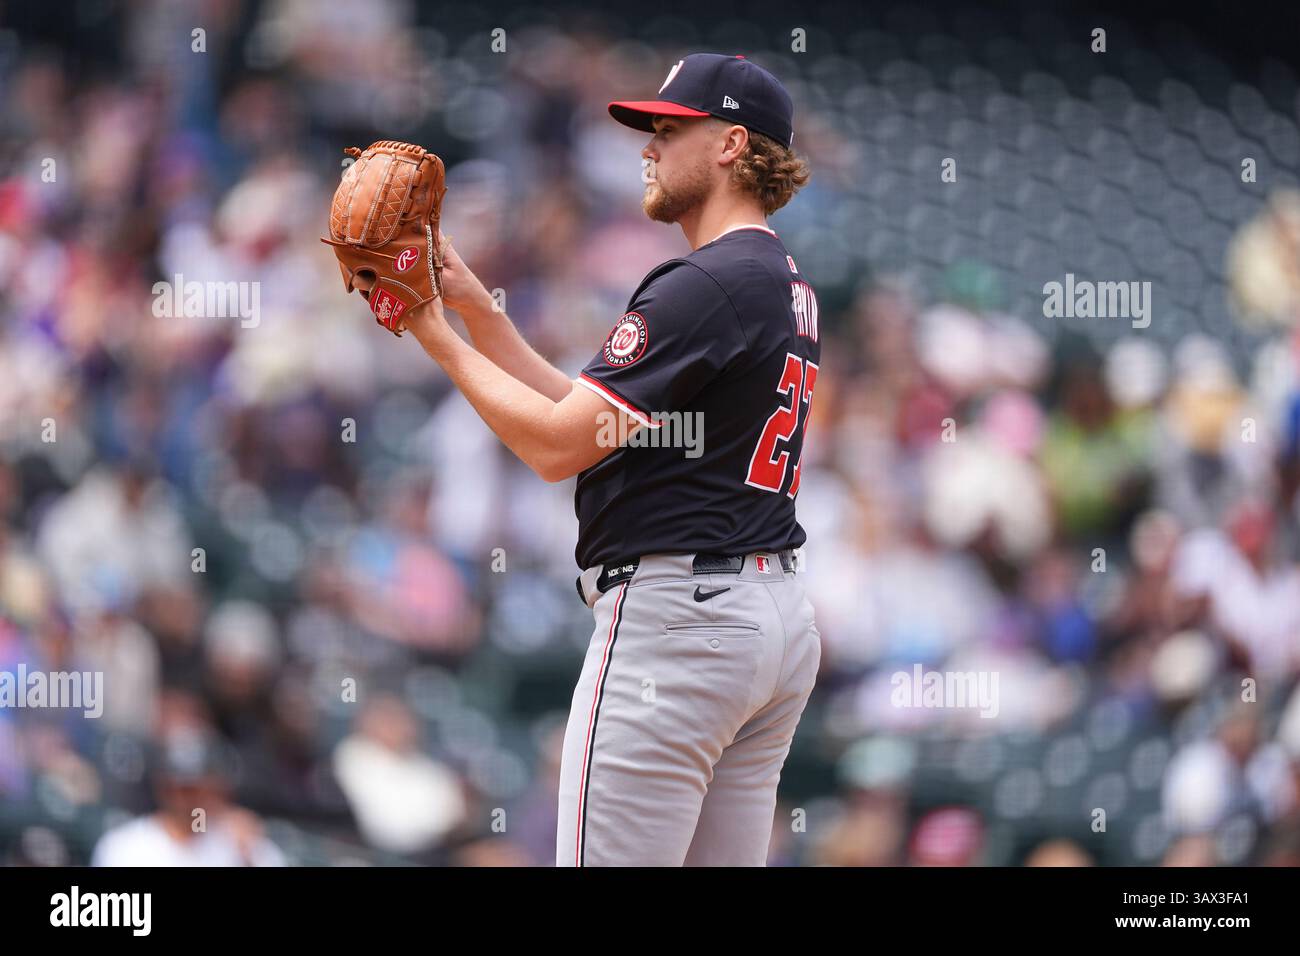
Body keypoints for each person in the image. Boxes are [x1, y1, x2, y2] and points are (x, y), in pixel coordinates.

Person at [355, 53, 821, 866]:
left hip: (679, 621)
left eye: (670, 129)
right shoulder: (778, 277)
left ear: (730, 145)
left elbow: (554, 447)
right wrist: (475, 306)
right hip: (765, 620)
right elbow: (588, 419)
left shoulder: (703, 282)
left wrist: (429, 331)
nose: (648, 145)